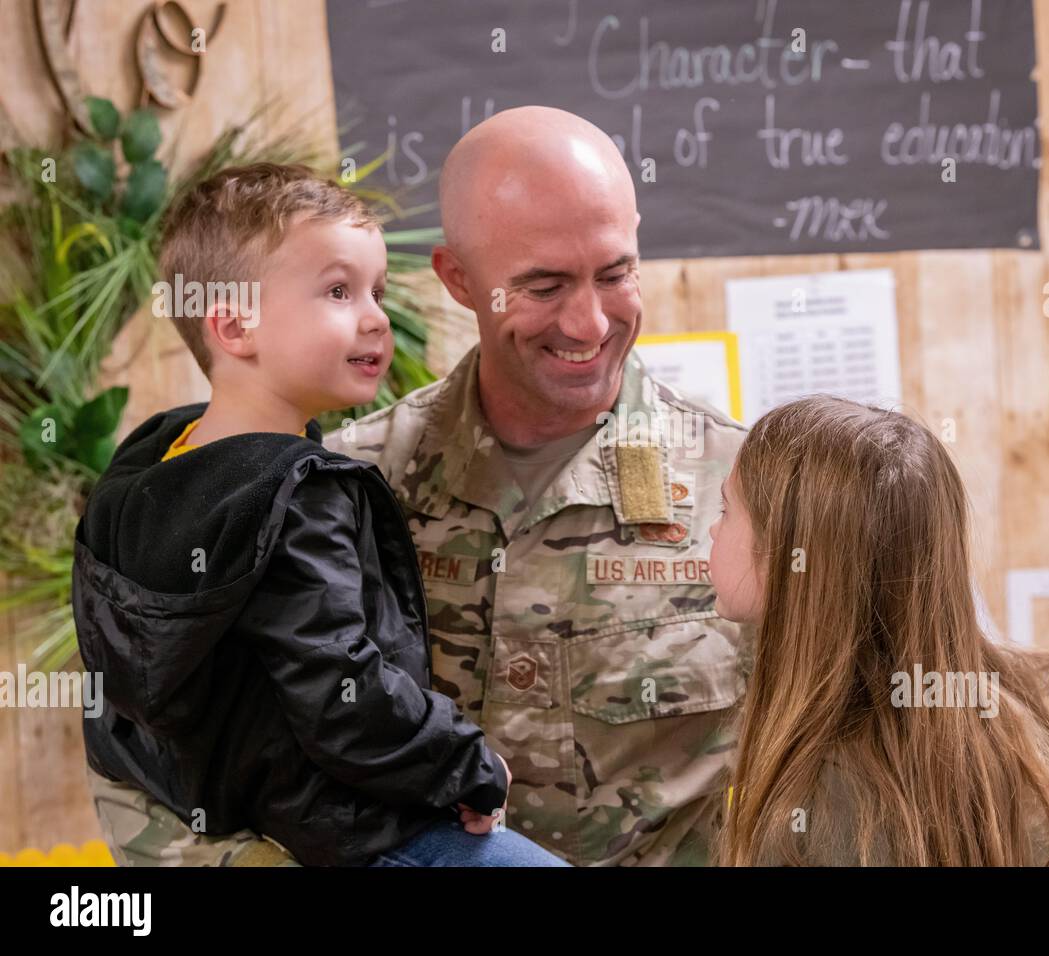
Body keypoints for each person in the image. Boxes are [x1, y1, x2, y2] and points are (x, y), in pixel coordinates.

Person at [86, 107, 751, 866]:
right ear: (458, 280)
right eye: (543, 285)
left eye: (616, 273)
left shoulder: (751, 490)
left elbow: (849, 760)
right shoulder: (338, 482)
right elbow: (150, 745)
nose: (590, 321)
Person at [73, 162, 566, 867]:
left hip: (226, 817)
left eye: (377, 291)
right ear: (237, 324)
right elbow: (344, 696)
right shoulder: (296, 492)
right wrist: (465, 763)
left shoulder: (151, 464)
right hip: (352, 831)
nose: (375, 317)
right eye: (339, 291)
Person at [707, 396, 1049, 866]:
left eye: (726, 510)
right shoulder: (999, 725)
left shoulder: (818, 812)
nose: (711, 530)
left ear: (787, 557)